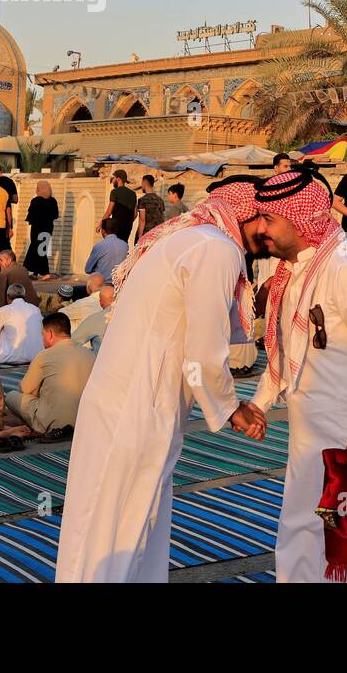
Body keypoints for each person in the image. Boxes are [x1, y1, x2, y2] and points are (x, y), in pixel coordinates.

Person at [56, 174, 285, 583]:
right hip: (138, 407)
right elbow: (203, 350)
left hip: (128, 400)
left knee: (113, 524)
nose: (269, 236)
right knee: (119, 526)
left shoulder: (191, 239)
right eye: (266, 221)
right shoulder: (217, 250)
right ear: (250, 213)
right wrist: (231, 408)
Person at [245, 164, 347, 583]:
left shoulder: (343, 269)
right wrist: (259, 404)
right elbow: (288, 350)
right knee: (301, 528)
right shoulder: (291, 272)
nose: (262, 229)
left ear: (300, 220)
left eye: (270, 220)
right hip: (308, 438)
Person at [3, 312, 94, 435]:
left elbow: (26, 389)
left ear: (50, 333)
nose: (42, 339)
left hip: (54, 422)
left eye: (43, 334)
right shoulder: (89, 354)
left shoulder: (45, 355)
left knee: (12, 396)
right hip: (86, 420)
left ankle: (35, 423)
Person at [0, 284, 45, 364]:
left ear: (8, 297)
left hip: (12, 357)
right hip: (36, 355)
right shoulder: (35, 309)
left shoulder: (3, 310)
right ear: (24, 296)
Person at [24, 181, 59, 278]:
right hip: (48, 228)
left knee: (38, 249)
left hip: (37, 228)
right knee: (41, 249)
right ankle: (35, 273)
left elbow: (31, 215)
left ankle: (45, 272)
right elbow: (55, 215)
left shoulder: (36, 201)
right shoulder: (53, 201)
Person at [98, 169, 138, 243]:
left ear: (118, 179)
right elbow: (135, 214)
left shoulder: (115, 192)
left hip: (116, 228)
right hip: (127, 228)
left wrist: (100, 224)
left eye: (113, 178)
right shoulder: (133, 194)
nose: (112, 180)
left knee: (114, 247)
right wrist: (127, 222)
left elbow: (109, 211)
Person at [72, 284, 114, 352]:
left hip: (103, 360)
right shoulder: (130, 314)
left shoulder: (95, 319)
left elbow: (72, 342)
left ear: (101, 302)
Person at [136, 175, 166, 240]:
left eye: (142, 183)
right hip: (157, 234)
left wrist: (140, 237)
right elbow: (162, 217)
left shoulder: (142, 200)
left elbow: (142, 219)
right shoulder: (160, 200)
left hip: (147, 234)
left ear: (144, 182)